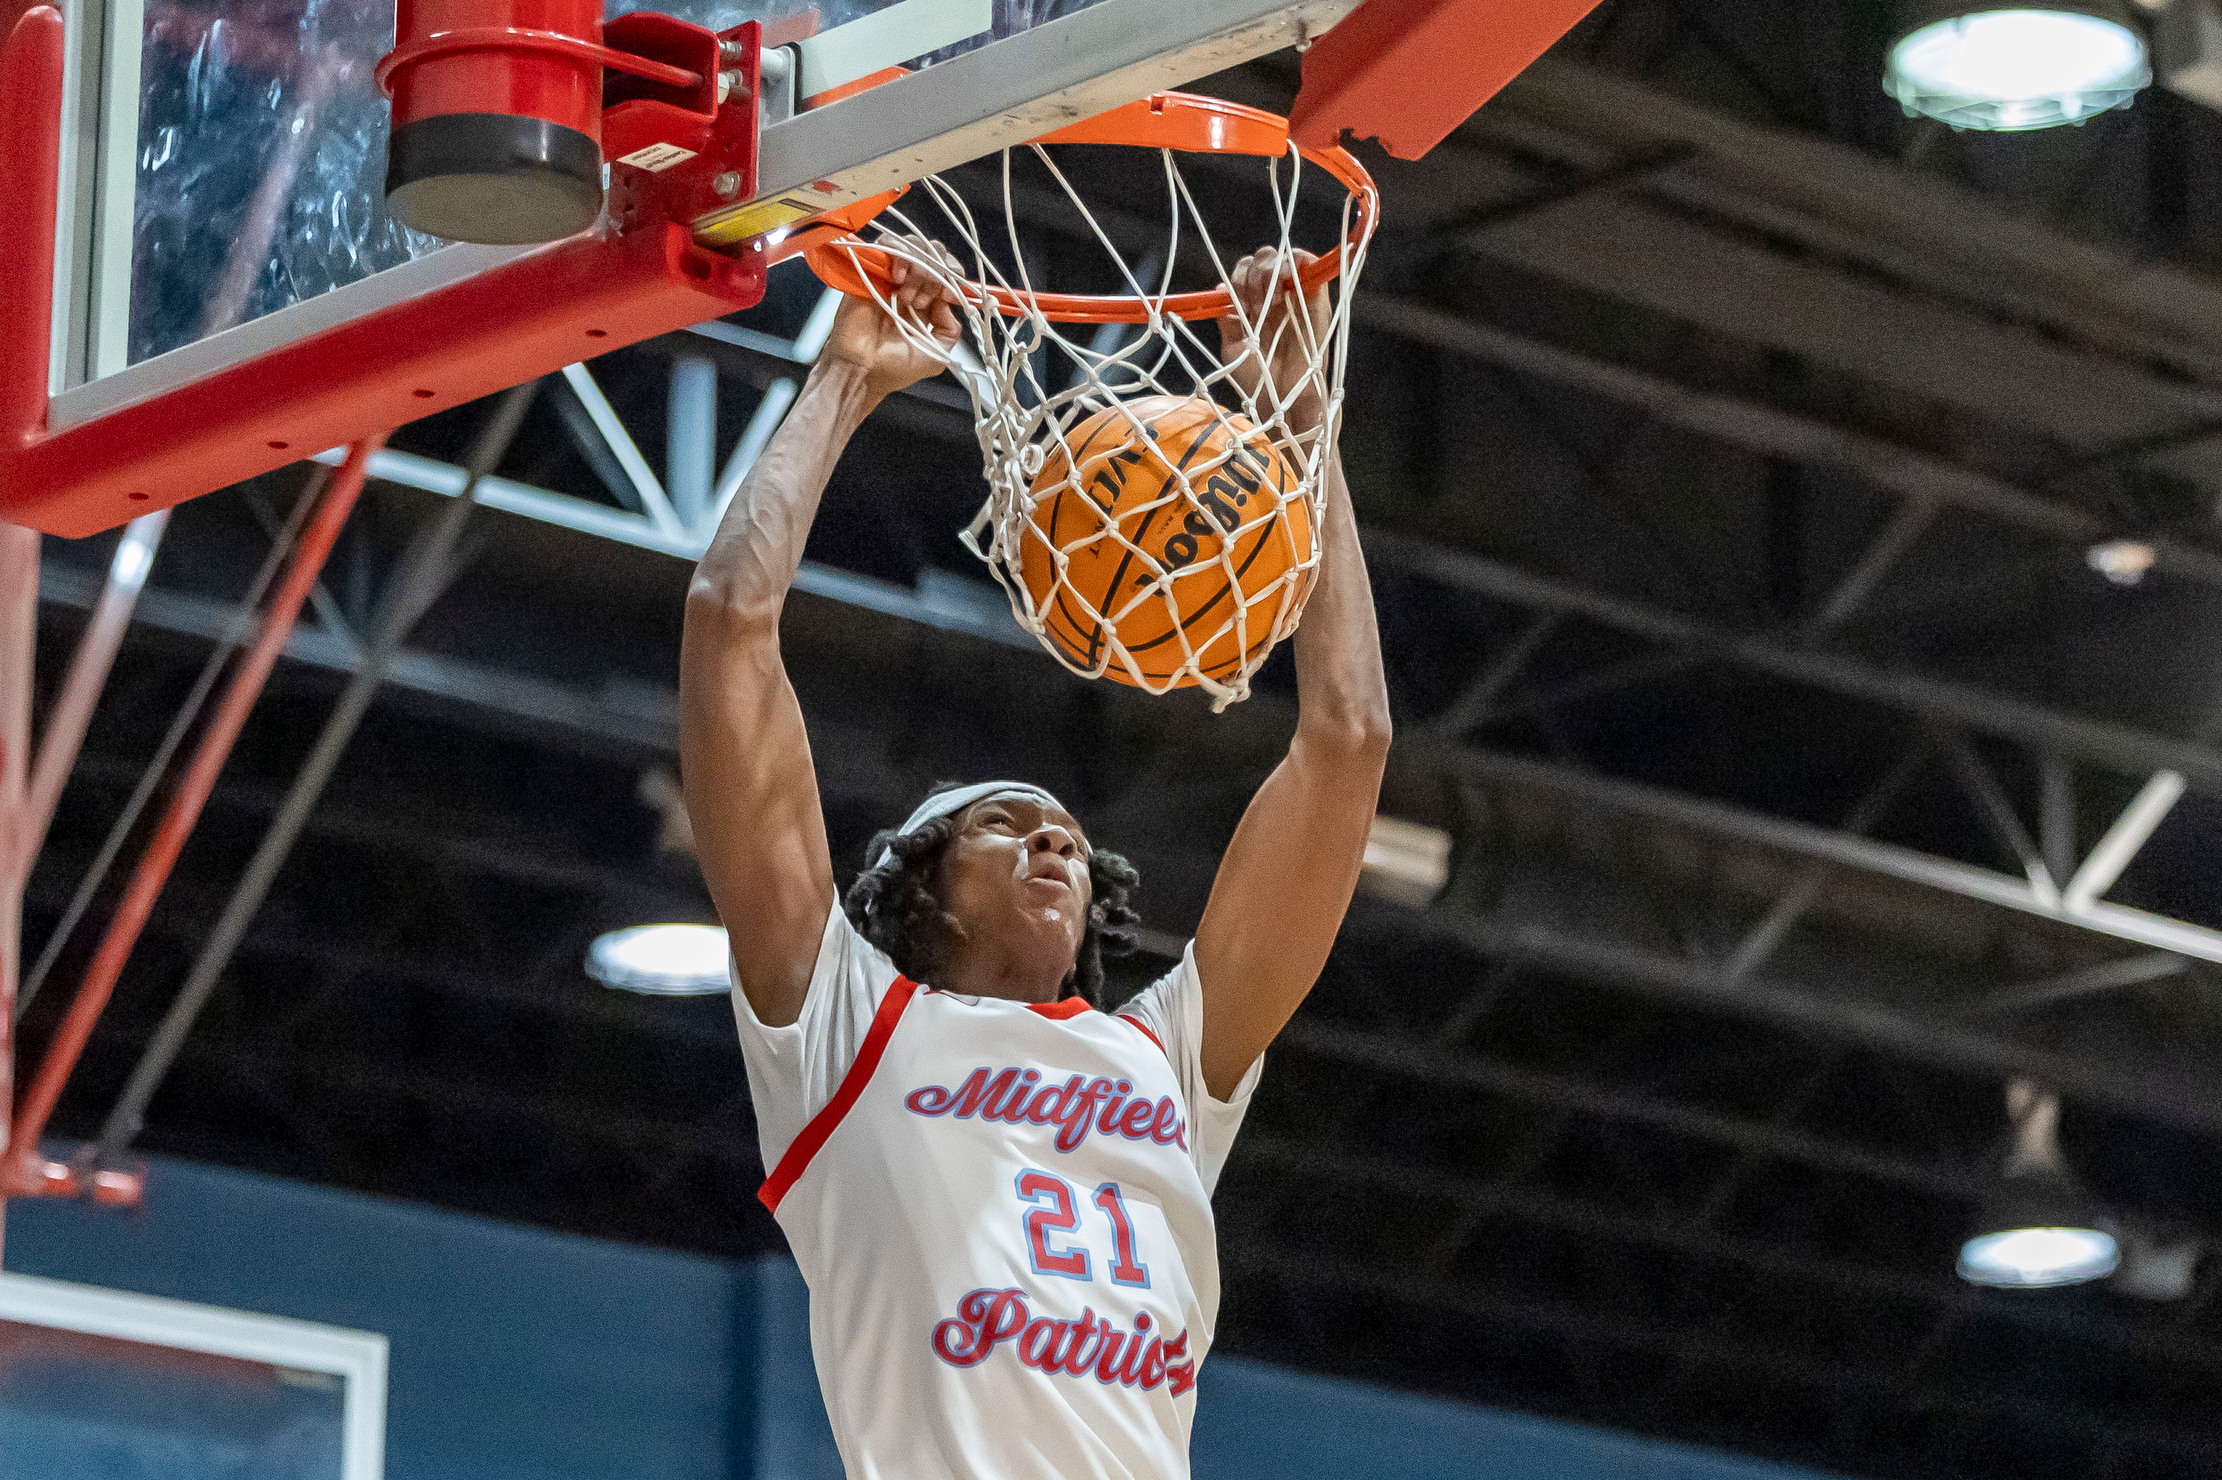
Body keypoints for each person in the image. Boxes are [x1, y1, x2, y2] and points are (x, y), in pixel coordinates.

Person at [679, 245, 1391, 1479]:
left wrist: (1300, 420)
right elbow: (728, 621)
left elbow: (1349, 737)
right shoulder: (847, 1027)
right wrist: (845, 378)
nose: (1052, 837)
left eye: (1063, 829)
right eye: (1003, 824)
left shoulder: (1161, 1057)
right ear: (924, 889)